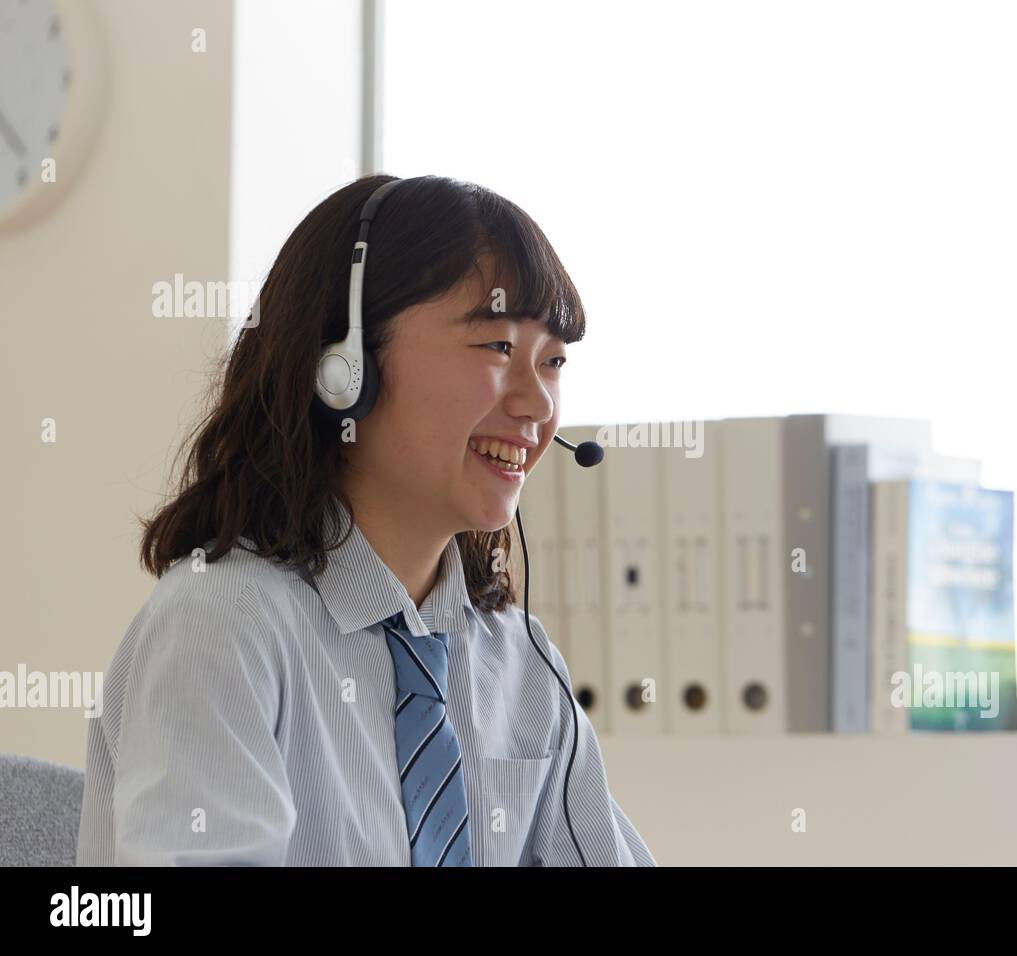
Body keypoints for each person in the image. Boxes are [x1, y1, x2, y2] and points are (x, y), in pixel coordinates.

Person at [76, 174, 655, 866]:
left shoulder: (520, 666)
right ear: (344, 365)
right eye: (498, 348)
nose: (538, 406)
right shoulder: (221, 624)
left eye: (553, 361)